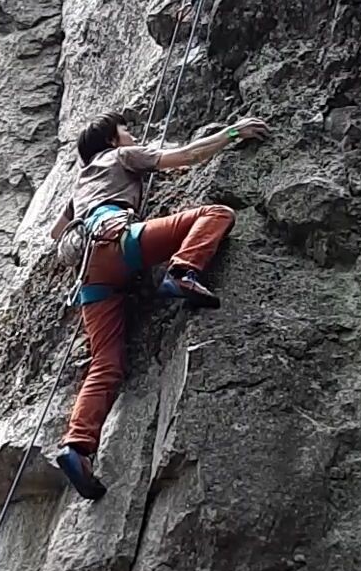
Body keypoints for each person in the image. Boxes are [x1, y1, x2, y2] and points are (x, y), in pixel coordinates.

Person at [51, 110, 269, 500]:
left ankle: (77, 448)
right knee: (216, 214)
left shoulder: (81, 183)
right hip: (118, 241)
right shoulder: (120, 156)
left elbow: (56, 233)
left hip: (90, 274)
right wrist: (233, 132)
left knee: (105, 363)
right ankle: (183, 271)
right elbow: (186, 156)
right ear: (112, 140)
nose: (133, 136)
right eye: (126, 130)